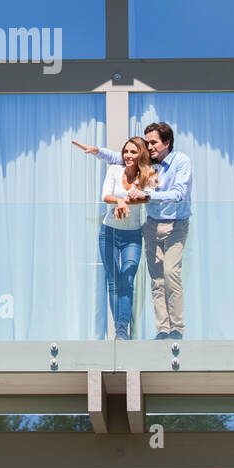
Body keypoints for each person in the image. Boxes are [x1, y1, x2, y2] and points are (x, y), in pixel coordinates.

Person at [73, 122, 192, 339]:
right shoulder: (148, 163)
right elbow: (122, 159)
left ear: (167, 143)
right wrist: (98, 151)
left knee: (170, 273)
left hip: (175, 224)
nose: (150, 146)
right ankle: (163, 330)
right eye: (147, 143)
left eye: (153, 142)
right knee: (156, 280)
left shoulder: (180, 162)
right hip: (151, 225)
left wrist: (147, 197)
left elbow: (179, 194)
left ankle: (176, 329)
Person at [98, 137, 158, 340]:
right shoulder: (115, 170)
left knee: (128, 278)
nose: (128, 156)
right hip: (109, 233)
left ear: (141, 154)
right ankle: (121, 331)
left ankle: (123, 328)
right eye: (126, 152)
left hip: (132, 235)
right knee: (114, 282)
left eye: (133, 152)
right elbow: (105, 196)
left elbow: (149, 197)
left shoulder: (148, 175)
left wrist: (131, 199)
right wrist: (120, 201)